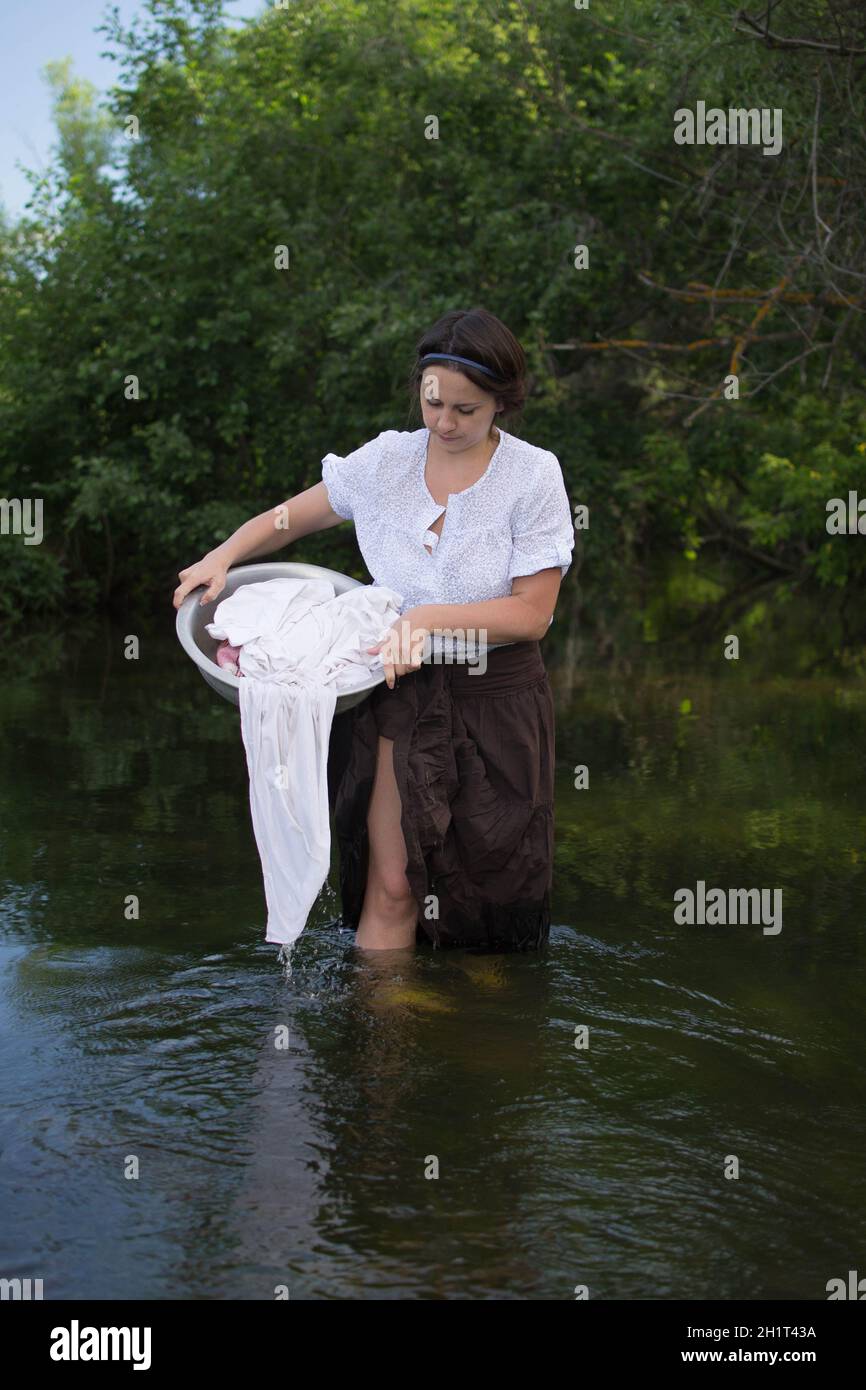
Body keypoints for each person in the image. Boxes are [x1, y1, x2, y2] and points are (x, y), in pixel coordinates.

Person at [173, 306, 575, 954]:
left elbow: (534, 613)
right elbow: (287, 519)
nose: (443, 422)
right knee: (391, 887)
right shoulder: (386, 461)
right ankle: (381, 1052)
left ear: (503, 401)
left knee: (491, 889)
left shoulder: (533, 478)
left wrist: (425, 619)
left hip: (498, 699)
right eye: (432, 401)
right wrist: (222, 556)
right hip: (398, 690)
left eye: (465, 410)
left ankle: (483, 1036)